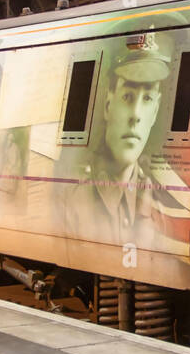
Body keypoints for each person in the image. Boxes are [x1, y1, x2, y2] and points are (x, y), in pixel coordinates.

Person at [59, 37, 173, 247]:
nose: (136, 115)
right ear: (108, 105)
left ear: (155, 112)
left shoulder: (157, 199)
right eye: (128, 96)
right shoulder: (72, 198)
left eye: (147, 99)